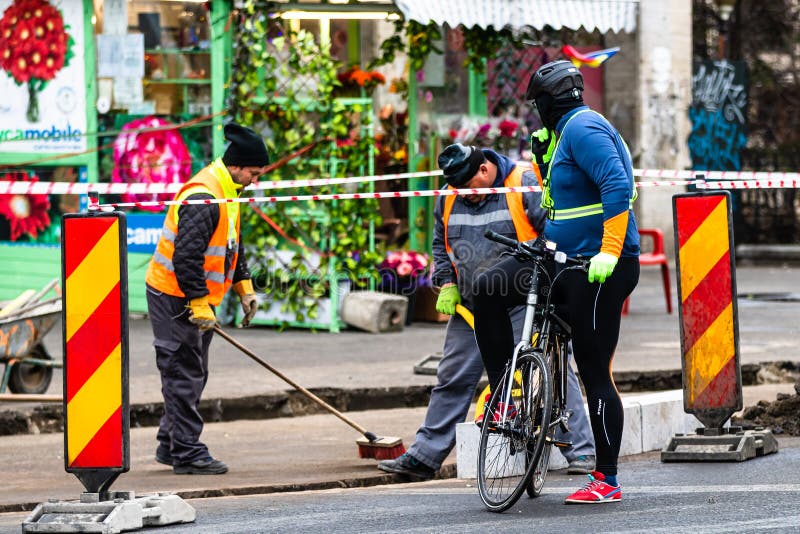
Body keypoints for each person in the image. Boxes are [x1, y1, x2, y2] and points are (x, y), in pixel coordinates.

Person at [473, 60, 640, 504]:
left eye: (537, 105)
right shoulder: (556, 136)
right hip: (556, 255)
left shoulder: (584, 129)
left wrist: (608, 250)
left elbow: (617, 187)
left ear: (549, 102)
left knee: (593, 369)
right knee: (486, 292)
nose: (535, 113)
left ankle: (606, 480)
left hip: (600, 265)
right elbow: (559, 203)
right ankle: (506, 399)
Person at [377, 142, 595, 481]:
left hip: (525, 297)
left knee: (552, 370)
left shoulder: (522, 183)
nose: (464, 194)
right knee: (452, 377)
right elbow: (441, 242)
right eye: (457, 189)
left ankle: (581, 450)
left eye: (468, 187)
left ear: (484, 170)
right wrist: (446, 282)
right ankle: (424, 458)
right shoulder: (450, 196)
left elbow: (554, 235)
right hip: (472, 305)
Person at [144, 123, 270, 474]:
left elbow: (231, 241)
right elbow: (185, 257)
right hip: (173, 294)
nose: (256, 181)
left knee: (192, 371)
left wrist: (244, 287)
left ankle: (171, 444)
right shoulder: (203, 196)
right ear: (238, 166)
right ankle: (187, 453)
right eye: (254, 173)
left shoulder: (227, 189)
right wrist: (197, 302)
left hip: (198, 294)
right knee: (183, 370)